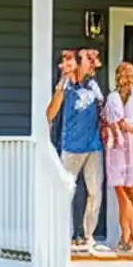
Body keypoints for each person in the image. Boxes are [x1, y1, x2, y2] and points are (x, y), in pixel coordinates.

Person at [45, 48, 107, 254]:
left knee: (95, 192)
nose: (92, 65)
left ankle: (88, 236)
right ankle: (65, 235)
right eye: (88, 61)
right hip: (71, 147)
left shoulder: (93, 85)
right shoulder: (67, 86)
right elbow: (50, 113)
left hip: (94, 147)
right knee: (66, 192)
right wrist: (62, 85)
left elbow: (102, 110)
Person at [102, 61, 133, 256]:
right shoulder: (112, 99)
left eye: (130, 74)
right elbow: (108, 122)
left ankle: (129, 238)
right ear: (117, 77)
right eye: (123, 74)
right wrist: (117, 128)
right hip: (116, 149)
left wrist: (129, 128)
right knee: (120, 192)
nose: (126, 78)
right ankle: (129, 234)